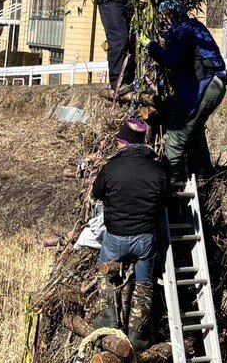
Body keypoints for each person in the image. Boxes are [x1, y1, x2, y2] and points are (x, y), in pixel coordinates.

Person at [90, 118, 167, 349]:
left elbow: (96, 193)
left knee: (105, 273)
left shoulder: (111, 168)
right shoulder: (158, 169)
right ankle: (138, 335)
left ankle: (109, 316)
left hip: (116, 237)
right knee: (144, 284)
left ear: (123, 143)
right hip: (145, 238)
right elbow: (163, 202)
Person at [142, 0, 227, 177]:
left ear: (174, 14)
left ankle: (173, 176)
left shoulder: (182, 30)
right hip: (213, 83)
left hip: (204, 85)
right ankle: (204, 170)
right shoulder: (192, 27)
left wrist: (151, 45)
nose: (162, 20)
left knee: (177, 130)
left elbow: (172, 59)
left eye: (165, 16)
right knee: (194, 129)